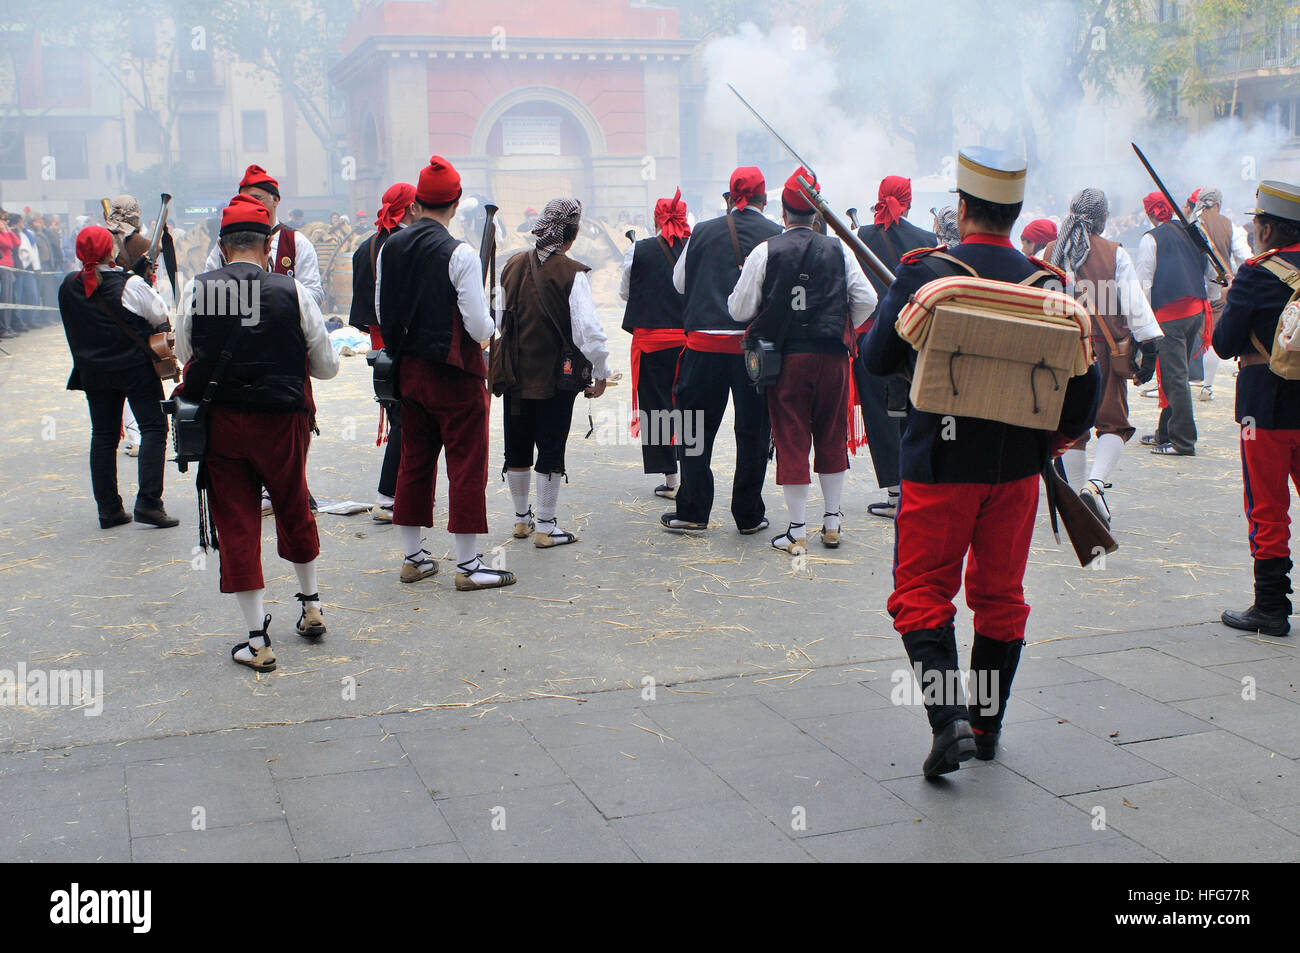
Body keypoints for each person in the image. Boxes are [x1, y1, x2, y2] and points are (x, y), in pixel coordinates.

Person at [862, 146, 1100, 778]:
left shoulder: (926, 273)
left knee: (920, 592)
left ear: (962, 208)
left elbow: (877, 360)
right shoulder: (1050, 285)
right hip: (1019, 469)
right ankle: (987, 728)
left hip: (938, 462)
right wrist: (1050, 445)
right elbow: (1084, 392)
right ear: (1016, 213)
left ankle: (948, 723)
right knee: (1000, 597)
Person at [175, 195, 339, 672]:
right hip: (282, 419)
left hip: (223, 423)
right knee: (293, 505)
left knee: (237, 522)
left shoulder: (197, 290)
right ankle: (310, 606)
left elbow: (186, 352)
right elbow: (326, 367)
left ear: (223, 248)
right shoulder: (292, 292)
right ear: (269, 245)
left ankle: (255, 638)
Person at [377, 156, 514, 590]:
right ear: (455, 205)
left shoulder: (389, 248)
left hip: (409, 372)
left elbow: (384, 312)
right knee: (466, 465)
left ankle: (414, 557)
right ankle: (469, 565)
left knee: (413, 462)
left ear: (416, 202)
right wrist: (496, 328)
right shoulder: (460, 253)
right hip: (455, 374)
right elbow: (477, 327)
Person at [729, 167, 877, 553]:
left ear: (783, 213)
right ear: (816, 215)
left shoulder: (765, 251)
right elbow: (867, 301)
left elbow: (740, 309)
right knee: (832, 435)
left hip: (787, 359)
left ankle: (796, 531)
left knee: (791, 437)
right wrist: (840, 326)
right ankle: (831, 522)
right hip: (832, 358)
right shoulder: (839, 249)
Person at [662, 167, 782, 534]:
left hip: (704, 346)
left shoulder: (703, 231)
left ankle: (693, 511)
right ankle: (748, 515)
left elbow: (679, 282)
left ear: (730, 198)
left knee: (695, 428)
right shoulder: (777, 235)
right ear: (764, 198)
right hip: (754, 352)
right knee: (753, 431)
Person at [1212, 181, 1300, 637]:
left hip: (1264, 409)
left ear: (1268, 229)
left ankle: (1270, 607)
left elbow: (1224, 345)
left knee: (1267, 507)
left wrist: (1231, 299)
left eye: (1257, 222)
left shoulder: (1255, 273)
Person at [498, 197, 611, 549]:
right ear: (572, 234)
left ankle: (521, 521)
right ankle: (545, 526)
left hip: (515, 373)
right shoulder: (573, 272)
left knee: (516, 446)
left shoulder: (511, 264)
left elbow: (500, 318)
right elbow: (587, 332)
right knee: (550, 446)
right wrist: (602, 371)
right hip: (556, 377)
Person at [1045, 188, 1162, 528]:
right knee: (1113, 421)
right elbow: (1135, 305)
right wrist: (1149, 348)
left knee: (1071, 426)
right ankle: (1094, 488)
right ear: (1103, 219)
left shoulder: (1051, 252)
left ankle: (1078, 496)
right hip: (1104, 349)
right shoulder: (1114, 254)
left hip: (1062, 351)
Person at [56, 225, 177, 529]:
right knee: (153, 429)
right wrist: (139, 280)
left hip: (94, 372)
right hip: (134, 369)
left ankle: (109, 510)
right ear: (110, 251)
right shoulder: (129, 284)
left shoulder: (67, 286)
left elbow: (99, 289)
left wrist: (131, 276)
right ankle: (149, 503)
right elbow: (159, 315)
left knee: (104, 436)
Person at [854, 175, 938, 519]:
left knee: (880, 415)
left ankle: (894, 492)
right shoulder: (926, 238)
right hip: (915, 338)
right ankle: (915, 487)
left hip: (873, 337)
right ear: (909, 201)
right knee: (913, 413)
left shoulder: (863, 236)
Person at [350, 182, 417, 522]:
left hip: (380, 345)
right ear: (409, 208)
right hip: (404, 343)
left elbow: (362, 310)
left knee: (399, 416)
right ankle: (388, 498)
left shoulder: (366, 247)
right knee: (406, 421)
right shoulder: (406, 244)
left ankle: (400, 494)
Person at [619, 188, 689, 500]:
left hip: (652, 345)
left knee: (659, 411)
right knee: (688, 408)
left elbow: (625, 293)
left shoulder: (639, 250)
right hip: (690, 344)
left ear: (657, 219)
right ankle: (690, 476)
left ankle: (672, 480)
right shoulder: (696, 247)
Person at [1135, 192, 1212, 456]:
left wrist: (1142, 324)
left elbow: (1143, 285)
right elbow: (1209, 269)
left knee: (1174, 377)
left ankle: (1183, 441)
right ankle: (1165, 432)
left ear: (1149, 214)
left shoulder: (1151, 239)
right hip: (1196, 312)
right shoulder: (1192, 230)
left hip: (1171, 317)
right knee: (1173, 375)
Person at [205, 165, 323, 307]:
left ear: (275, 200)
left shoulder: (297, 242)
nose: (250, 204)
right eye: (244, 199)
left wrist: (276, 303)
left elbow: (314, 293)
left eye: (256, 198)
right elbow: (208, 286)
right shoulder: (227, 239)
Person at [1187, 187, 1252, 402]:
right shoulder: (1230, 226)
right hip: (1218, 291)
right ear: (1218, 204)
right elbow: (1246, 259)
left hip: (1189, 290)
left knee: (1186, 336)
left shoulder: (1189, 225)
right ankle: (1206, 386)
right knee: (1212, 339)